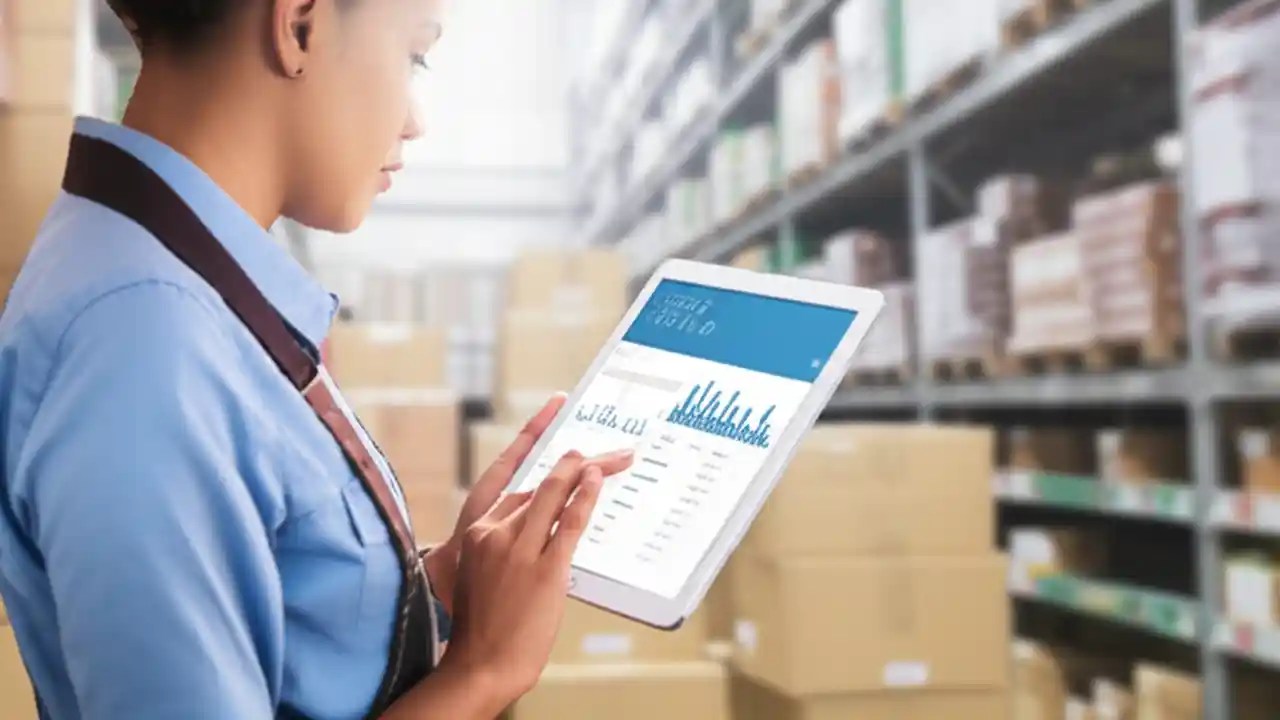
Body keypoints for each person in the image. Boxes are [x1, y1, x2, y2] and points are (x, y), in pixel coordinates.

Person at [0, 1, 633, 718]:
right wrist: (483, 673)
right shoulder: (142, 348)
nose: (414, 119)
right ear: (299, 24)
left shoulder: (179, 281)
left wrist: (445, 583)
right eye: (413, 56)